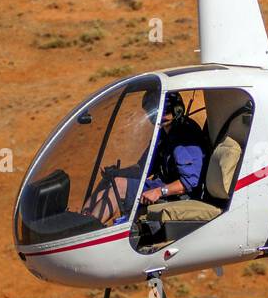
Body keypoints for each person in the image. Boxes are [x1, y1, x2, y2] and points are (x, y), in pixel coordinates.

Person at [82, 90, 209, 224]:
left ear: (176, 110)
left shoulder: (184, 134)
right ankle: (82, 220)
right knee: (113, 181)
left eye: (164, 110)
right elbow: (143, 169)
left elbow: (190, 182)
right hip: (161, 185)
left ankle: (89, 228)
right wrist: (117, 173)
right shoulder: (164, 133)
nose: (155, 116)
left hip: (177, 195)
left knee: (119, 186)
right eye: (152, 111)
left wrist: (159, 192)